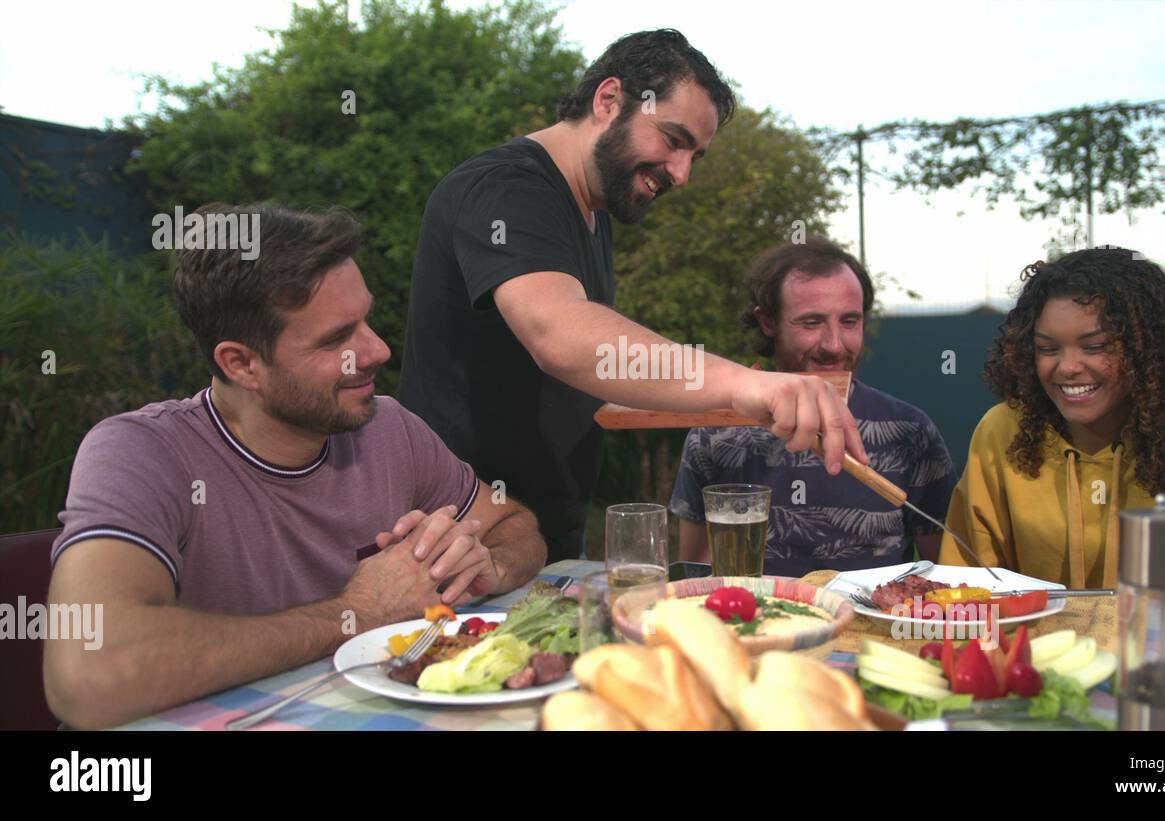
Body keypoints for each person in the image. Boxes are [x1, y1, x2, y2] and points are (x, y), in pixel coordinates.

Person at [44, 204, 547, 729]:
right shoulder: (140, 453)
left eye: (366, 320)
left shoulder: (388, 427)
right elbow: (89, 674)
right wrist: (355, 614)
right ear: (240, 364)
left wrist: (490, 566)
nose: (376, 349)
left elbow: (517, 526)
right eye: (336, 339)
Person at [398, 30, 868, 562]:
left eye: (695, 154)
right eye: (672, 138)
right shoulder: (510, 188)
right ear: (608, 100)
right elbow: (560, 334)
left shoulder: (590, 214)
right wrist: (738, 384)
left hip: (535, 544)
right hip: (459, 543)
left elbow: (596, 369)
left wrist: (732, 396)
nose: (682, 173)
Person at [939, 247, 1165, 608]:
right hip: (1030, 655)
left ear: (1146, 349)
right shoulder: (1002, 432)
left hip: (1163, 657)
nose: (1068, 367)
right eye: (1048, 348)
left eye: (1095, 346)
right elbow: (969, 584)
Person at [669, 238, 957, 578]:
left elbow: (945, 577)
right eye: (811, 323)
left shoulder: (910, 431)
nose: (834, 345)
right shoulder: (716, 432)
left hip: (874, 628)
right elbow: (696, 574)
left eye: (849, 322)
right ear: (767, 322)